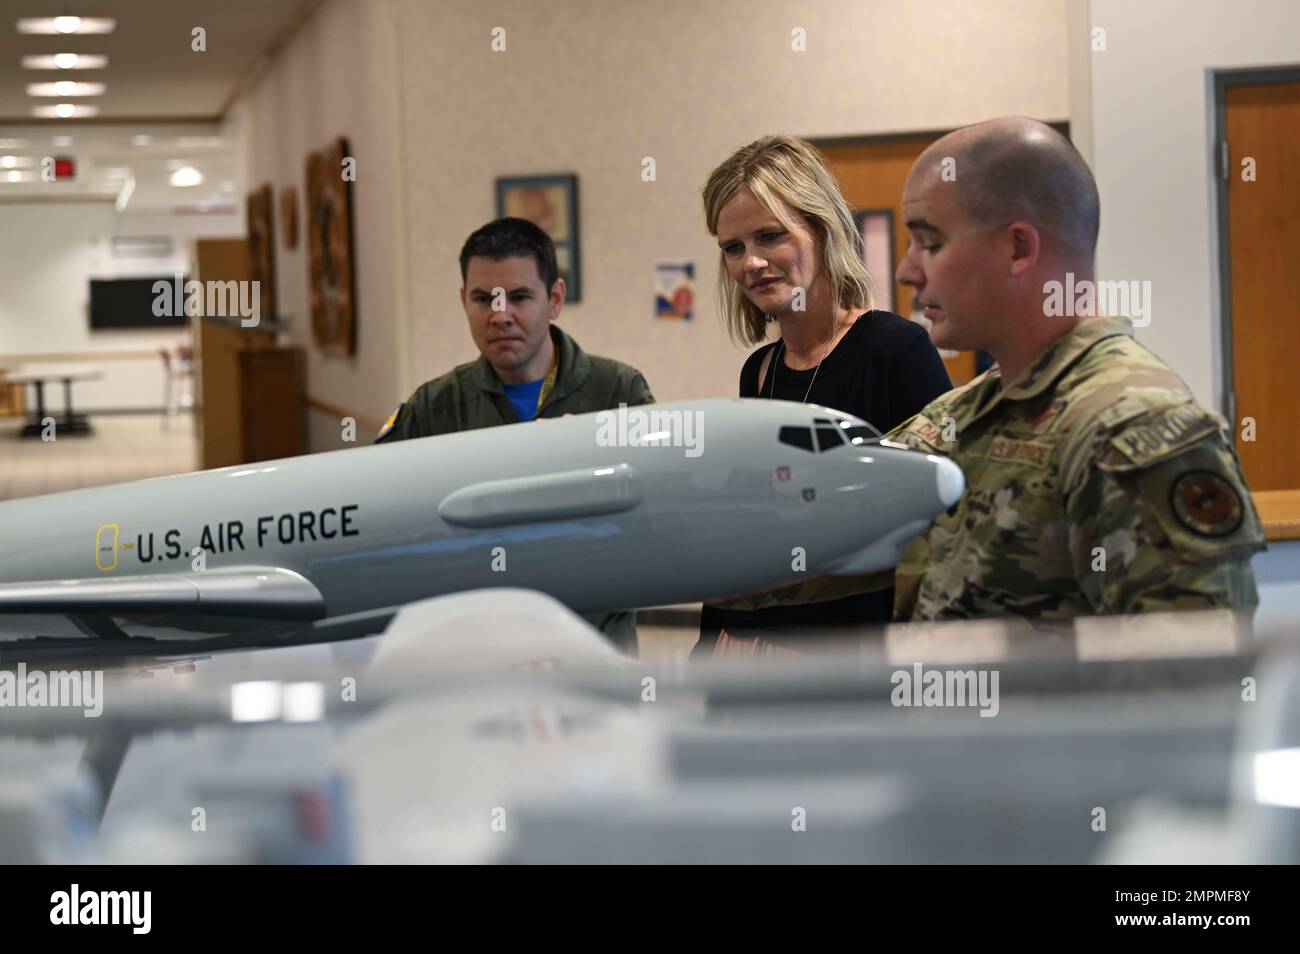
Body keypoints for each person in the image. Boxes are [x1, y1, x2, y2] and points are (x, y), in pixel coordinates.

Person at [725, 118, 1264, 626]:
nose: (907, 270)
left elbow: (1189, 695)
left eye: (930, 243)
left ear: (1018, 249)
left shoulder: (1133, 428)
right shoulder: (969, 414)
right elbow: (826, 540)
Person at [695, 135, 952, 657]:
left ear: (822, 230)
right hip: (762, 648)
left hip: (861, 664)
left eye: (770, 237)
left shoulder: (896, 350)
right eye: (733, 247)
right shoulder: (761, 372)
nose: (751, 263)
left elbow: (941, 525)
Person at [375, 217, 654, 651]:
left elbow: (654, 517)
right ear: (463, 300)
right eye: (483, 298)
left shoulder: (618, 390)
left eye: (520, 297)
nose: (500, 315)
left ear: (555, 298)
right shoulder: (434, 407)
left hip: (594, 649)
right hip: (476, 651)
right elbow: (384, 520)